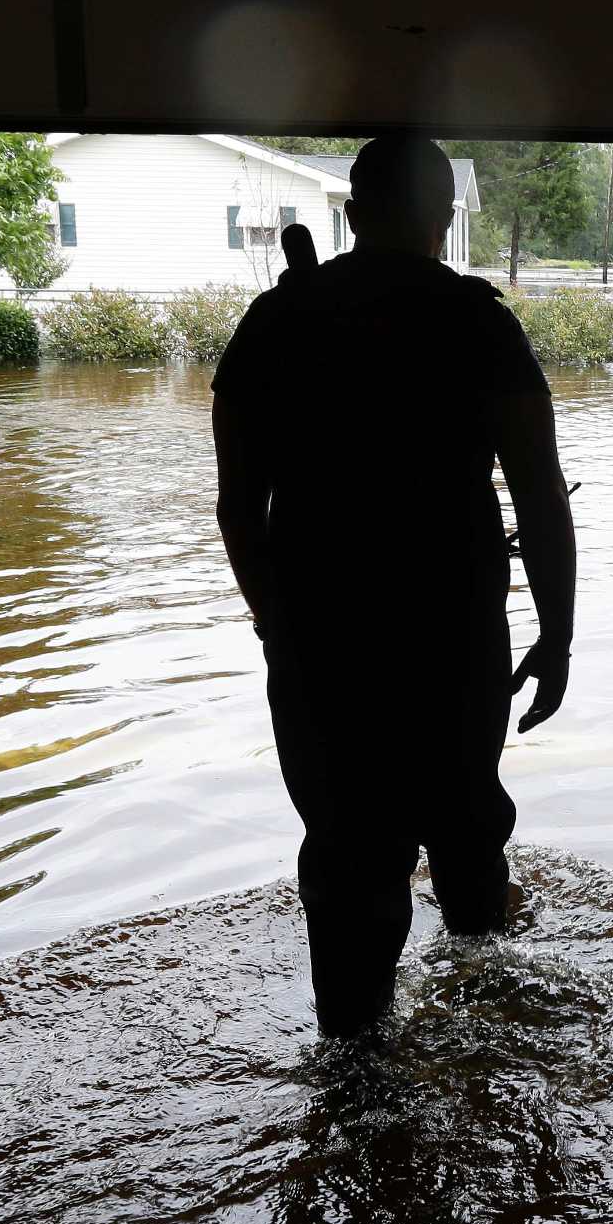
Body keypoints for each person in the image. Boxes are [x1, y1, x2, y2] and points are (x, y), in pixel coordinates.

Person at [213, 135, 577, 1038]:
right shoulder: (478, 323)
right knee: (465, 835)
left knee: (346, 859)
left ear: (353, 212)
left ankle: (349, 1064)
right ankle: (485, 1033)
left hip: (319, 644)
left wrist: (275, 627)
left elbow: (235, 512)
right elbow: (539, 495)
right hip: (451, 639)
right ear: (442, 218)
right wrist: (558, 636)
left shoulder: (272, 326)